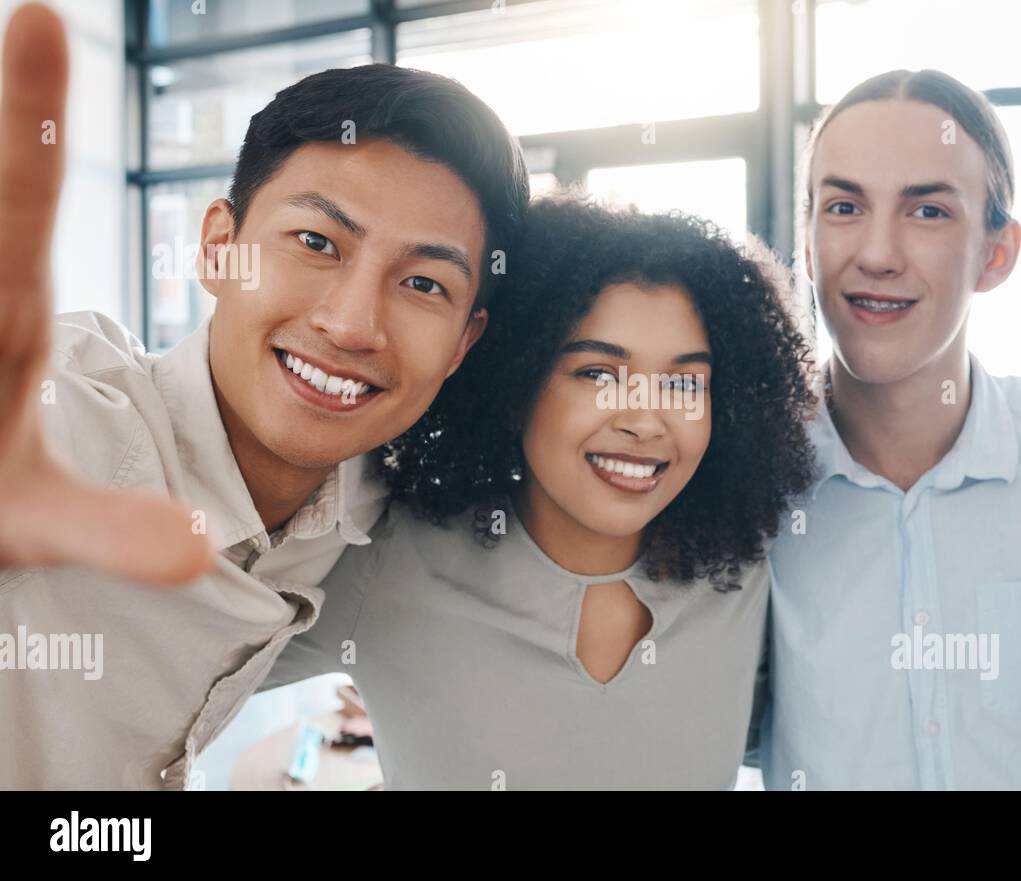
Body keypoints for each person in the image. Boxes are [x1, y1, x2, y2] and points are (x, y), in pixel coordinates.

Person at [0, 3, 528, 788]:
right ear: (218, 247)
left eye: (423, 282)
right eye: (316, 243)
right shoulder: (60, 421)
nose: (350, 325)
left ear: (462, 344)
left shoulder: (377, 500)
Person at [258, 195, 818, 790]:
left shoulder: (748, 580)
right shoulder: (382, 564)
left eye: (684, 382)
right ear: (516, 383)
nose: (646, 421)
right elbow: (175, 673)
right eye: (598, 375)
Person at [752, 69, 1021, 790]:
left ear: (996, 253)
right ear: (810, 239)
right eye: (844, 205)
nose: (877, 253)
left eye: (928, 212)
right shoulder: (747, 488)